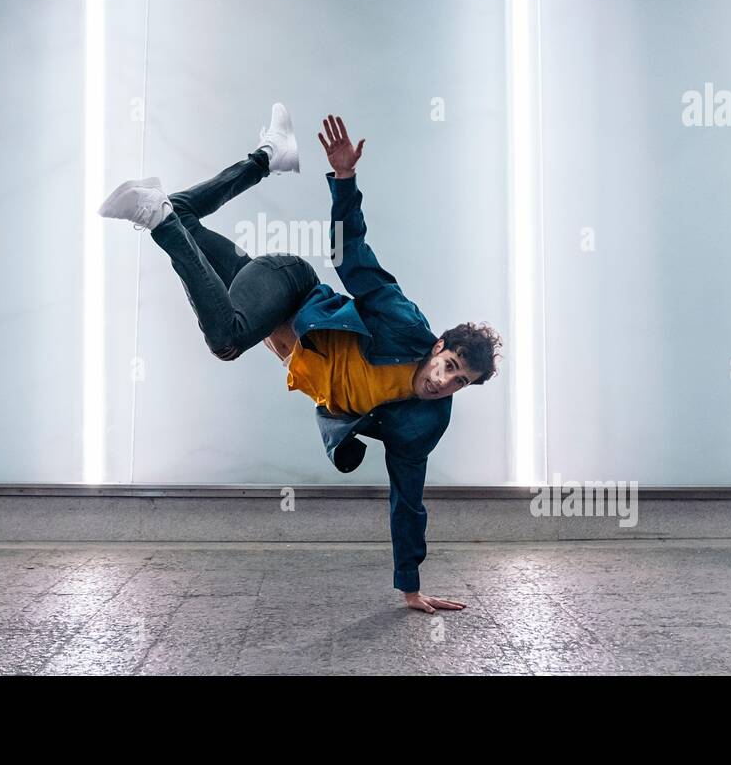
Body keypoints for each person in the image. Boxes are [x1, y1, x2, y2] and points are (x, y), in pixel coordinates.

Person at [98, 103, 502, 612]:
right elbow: (352, 258)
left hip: (277, 325)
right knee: (226, 338)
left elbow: (408, 498)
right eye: (450, 365)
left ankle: (268, 155)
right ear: (439, 347)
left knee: (184, 215)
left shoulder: (425, 420)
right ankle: (155, 215)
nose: (446, 382)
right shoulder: (405, 324)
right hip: (288, 286)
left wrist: (410, 586)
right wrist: (345, 177)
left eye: (461, 382)